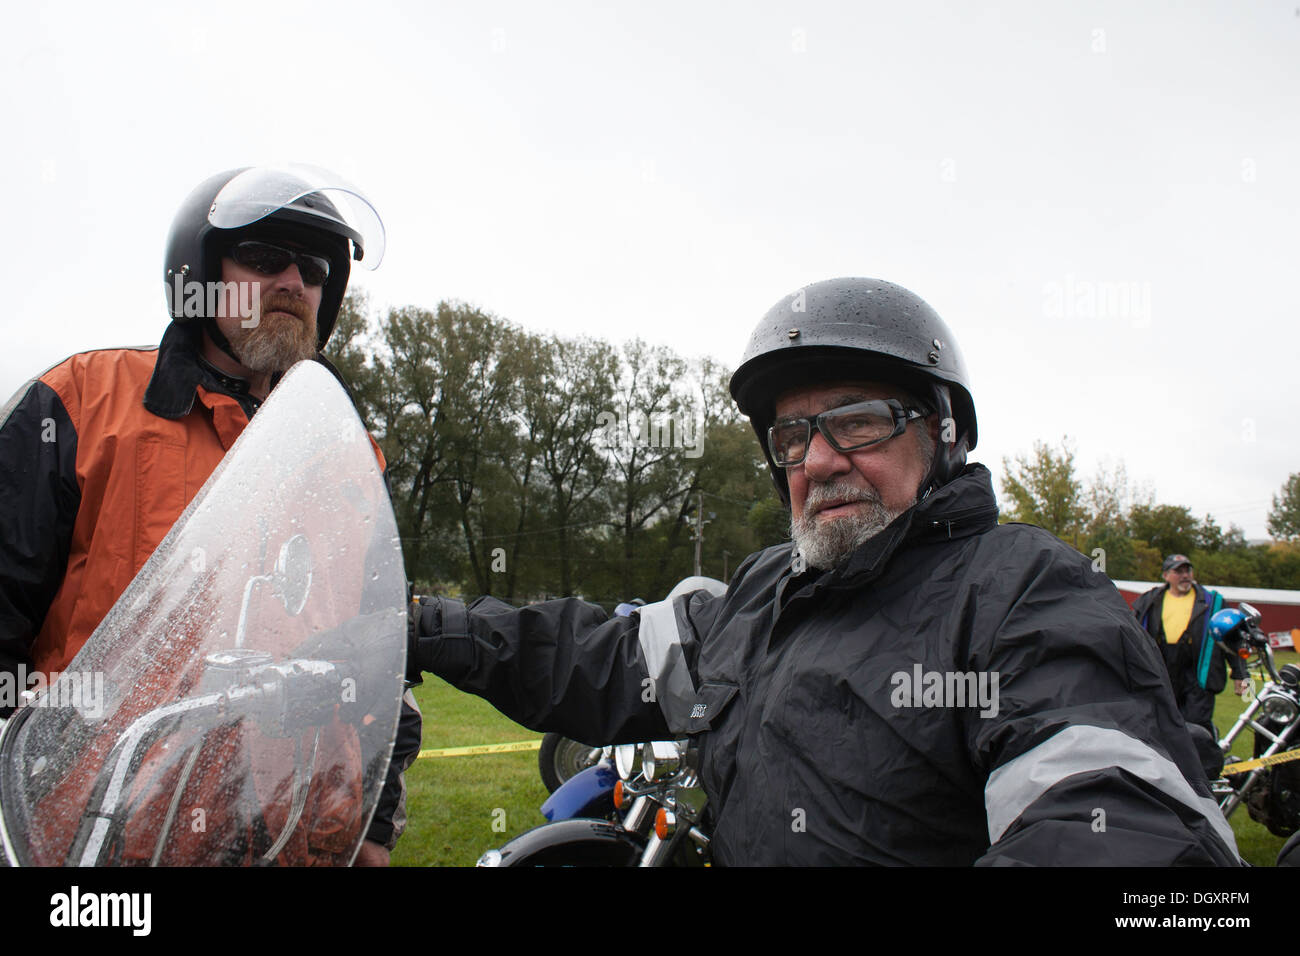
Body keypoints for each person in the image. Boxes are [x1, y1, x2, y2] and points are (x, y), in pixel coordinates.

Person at [407, 276, 1240, 865]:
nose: (823, 459)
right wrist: (415, 627)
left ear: (943, 435)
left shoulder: (1023, 592)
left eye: (864, 422)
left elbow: (1118, 821)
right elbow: (594, 655)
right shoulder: (763, 593)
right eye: (795, 435)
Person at [0, 164, 420, 866]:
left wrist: (375, 829)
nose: (293, 281)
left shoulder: (351, 463)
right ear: (198, 270)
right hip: (103, 843)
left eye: (313, 269)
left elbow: (388, 662)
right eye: (262, 258)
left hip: (296, 842)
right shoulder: (77, 405)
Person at [1132, 554, 1249, 737]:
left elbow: (1231, 639)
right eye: (1178, 571)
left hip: (1198, 673)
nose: (1185, 575)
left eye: (1188, 570)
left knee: (1196, 728)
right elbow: (1132, 635)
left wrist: (1241, 675)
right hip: (1162, 671)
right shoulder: (1150, 601)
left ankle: (1200, 762)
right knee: (1160, 724)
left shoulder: (1213, 603)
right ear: (1165, 575)